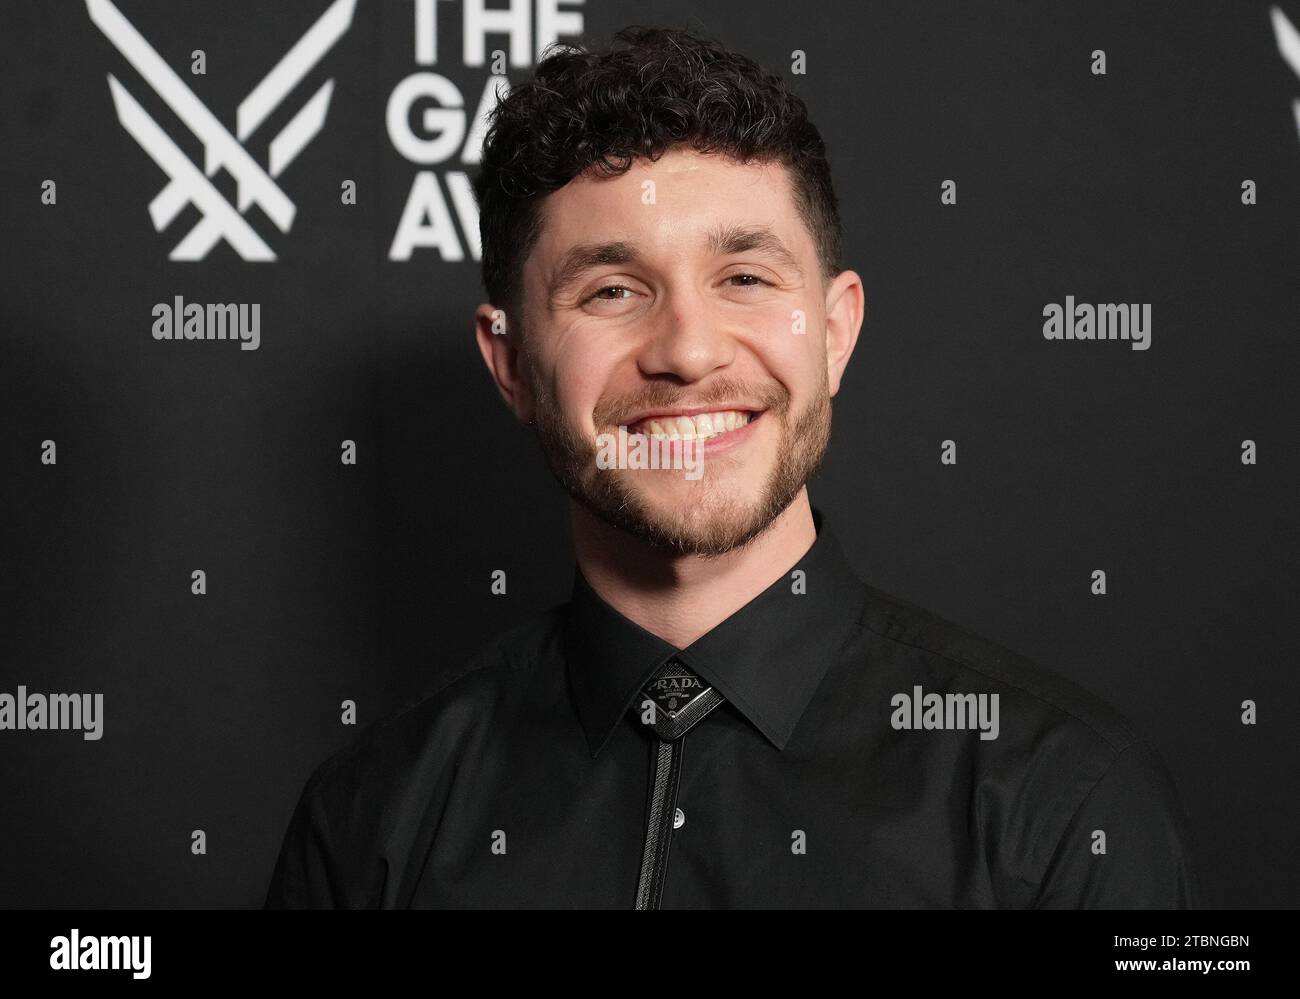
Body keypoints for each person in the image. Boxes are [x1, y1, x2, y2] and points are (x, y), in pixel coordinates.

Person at [264, 24, 1198, 909]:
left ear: (834, 332)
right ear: (510, 363)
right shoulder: (373, 814)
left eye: (745, 278)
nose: (689, 350)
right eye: (614, 290)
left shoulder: (1062, 800)